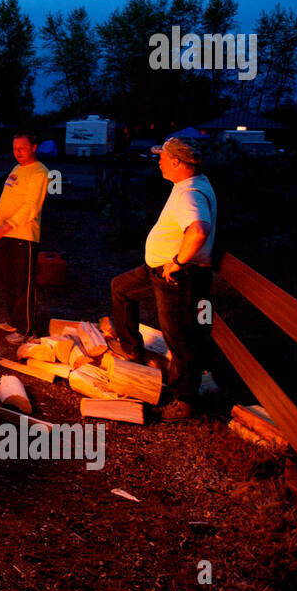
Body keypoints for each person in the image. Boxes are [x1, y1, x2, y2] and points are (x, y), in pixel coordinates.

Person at [107, 137, 216, 421]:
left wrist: (177, 262)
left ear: (177, 162)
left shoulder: (189, 194)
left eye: (163, 157)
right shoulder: (186, 187)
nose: (159, 161)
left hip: (176, 275)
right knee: (121, 288)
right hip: (157, 269)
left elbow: (199, 231)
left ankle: (185, 400)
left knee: (178, 336)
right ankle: (132, 352)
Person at [0, 132, 50, 344]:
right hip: (6, 234)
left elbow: (31, 207)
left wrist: (3, 227)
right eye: (15, 148)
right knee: (9, 281)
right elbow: (10, 200)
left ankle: (27, 329)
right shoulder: (16, 170)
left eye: (22, 148)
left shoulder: (40, 172)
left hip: (23, 236)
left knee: (24, 284)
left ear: (34, 147)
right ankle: (15, 320)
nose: (18, 152)